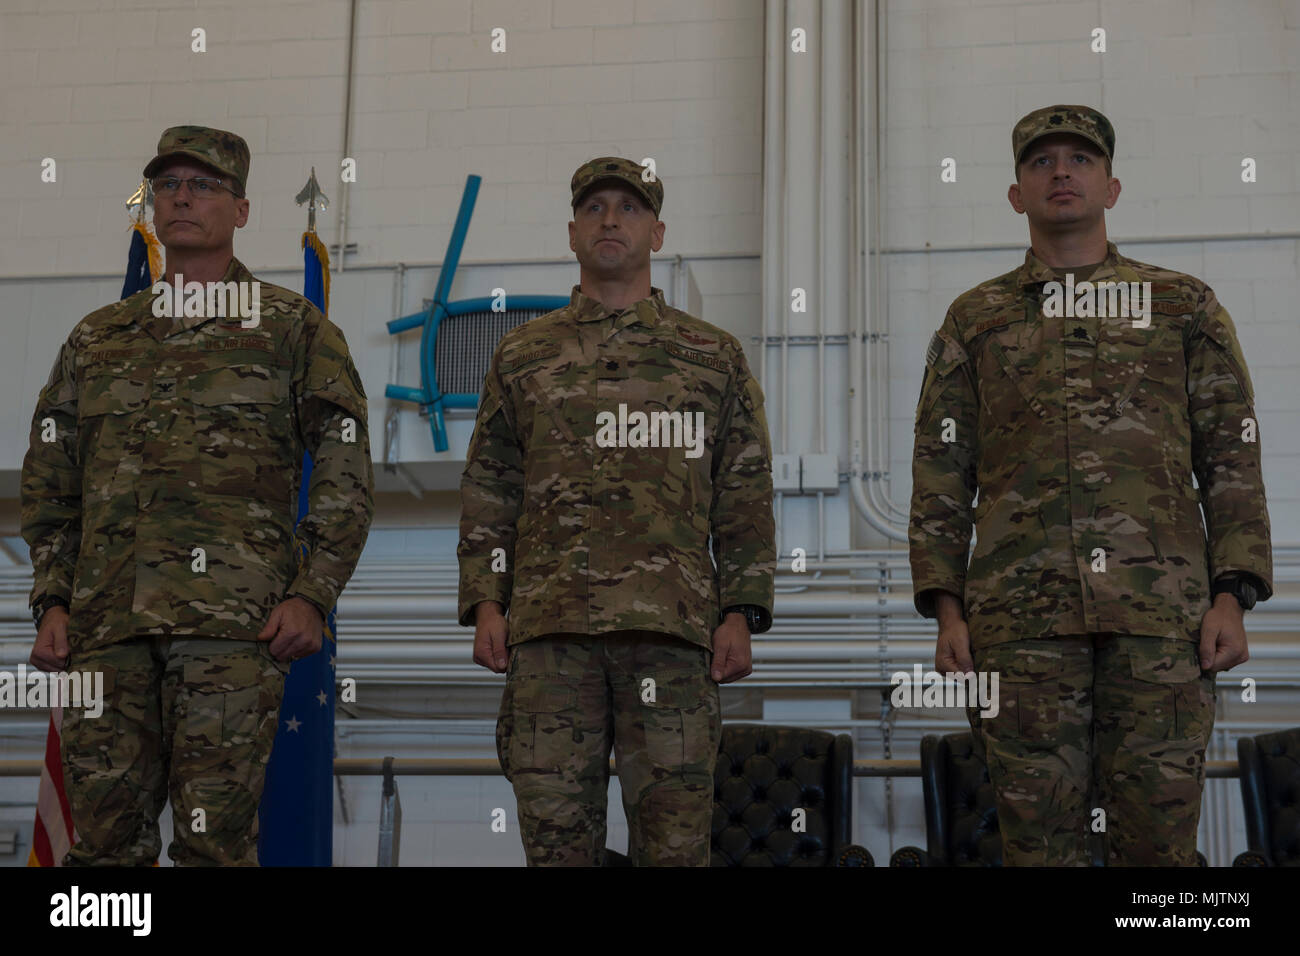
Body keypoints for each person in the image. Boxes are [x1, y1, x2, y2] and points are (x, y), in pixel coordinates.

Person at [909, 106, 1272, 866]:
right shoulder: (975, 320)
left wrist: (1232, 597)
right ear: (1017, 195)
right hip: (1021, 625)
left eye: (1080, 159)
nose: (1062, 172)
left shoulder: (1182, 307)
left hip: (1163, 624)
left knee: (1160, 848)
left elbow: (1230, 455)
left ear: (1112, 185)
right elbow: (942, 468)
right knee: (1038, 846)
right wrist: (947, 610)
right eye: (1042, 162)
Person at [21, 126, 375, 865]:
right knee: (101, 855)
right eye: (169, 185)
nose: (182, 198)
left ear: (241, 209)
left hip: (230, 634)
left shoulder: (291, 330)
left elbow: (344, 466)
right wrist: (53, 600)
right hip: (104, 632)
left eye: (204, 185)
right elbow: (52, 478)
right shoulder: (96, 339)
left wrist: (312, 592)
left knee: (214, 851)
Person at [458, 157, 775, 866]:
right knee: (555, 843)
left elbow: (745, 491)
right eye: (595, 207)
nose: (610, 220)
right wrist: (486, 601)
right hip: (549, 634)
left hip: (672, 631)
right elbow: (491, 487)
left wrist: (740, 611)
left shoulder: (710, 356)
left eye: (629, 209)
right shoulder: (523, 355)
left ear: (656, 232)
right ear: (572, 231)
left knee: (675, 845)